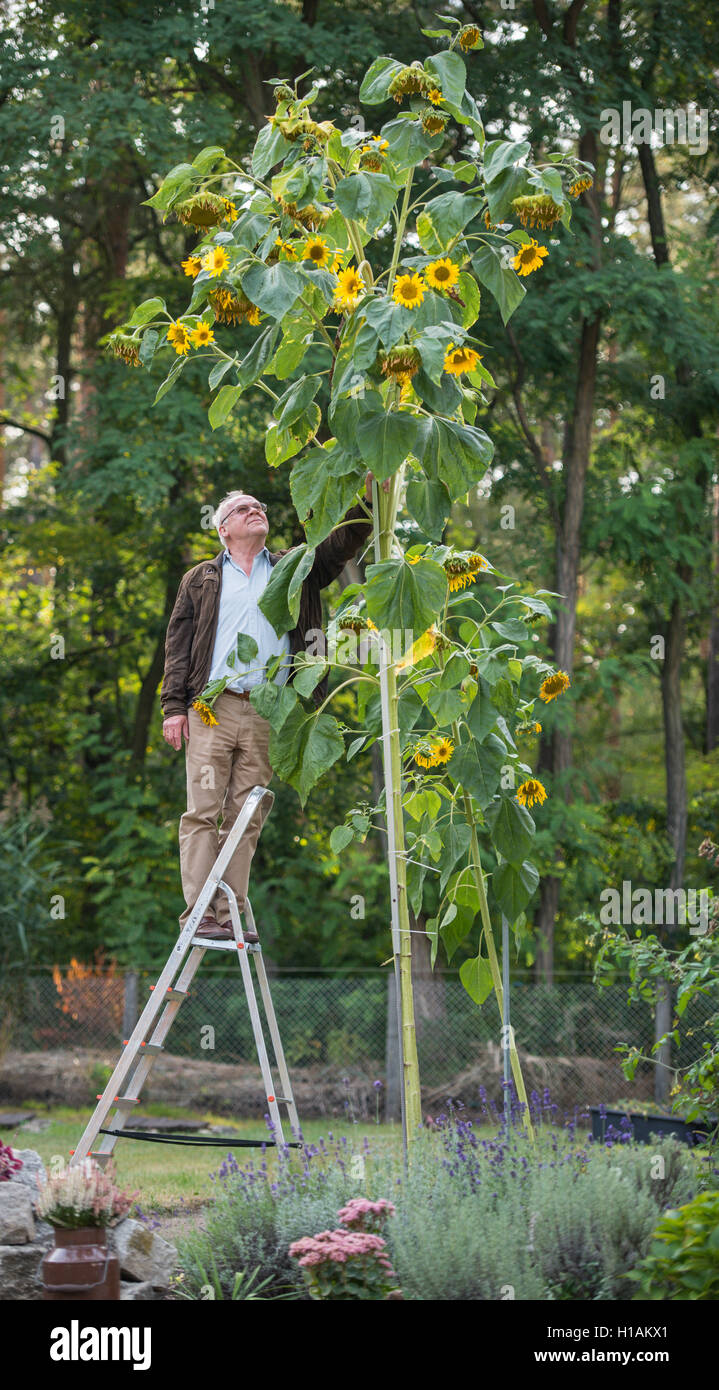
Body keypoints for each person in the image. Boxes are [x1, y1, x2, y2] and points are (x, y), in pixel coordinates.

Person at [160, 474, 378, 942]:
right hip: (210, 709)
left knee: (247, 814)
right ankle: (200, 914)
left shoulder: (292, 567)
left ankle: (230, 911)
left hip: (268, 710)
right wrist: (173, 707)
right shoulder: (201, 578)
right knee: (202, 812)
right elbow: (177, 645)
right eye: (242, 509)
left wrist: (368, 498)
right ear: (223, 529)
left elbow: (339, 545)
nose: (255, 509)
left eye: (258, 505)